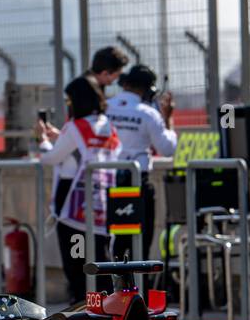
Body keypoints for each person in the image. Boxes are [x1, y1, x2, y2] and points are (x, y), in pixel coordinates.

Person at [38, 74, 121, 305]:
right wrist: (62, 136)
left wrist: (44, 140)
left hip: (73, 208)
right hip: (102, 203)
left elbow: (51, 158)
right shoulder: (109, 126)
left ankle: (80, 309)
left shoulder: (75, 126)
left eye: (69, 100)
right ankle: (106, 306)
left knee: (76, 262)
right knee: (99, 259)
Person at [108, 65, 177, 261]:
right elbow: (167, 149)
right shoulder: (148, 113)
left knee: (116, 243)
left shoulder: (106, 107)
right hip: (136, 184)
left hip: (108, 182)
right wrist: (168, 119)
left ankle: (114, 289)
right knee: (140, 244)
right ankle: (138, 289)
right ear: (148, 90)